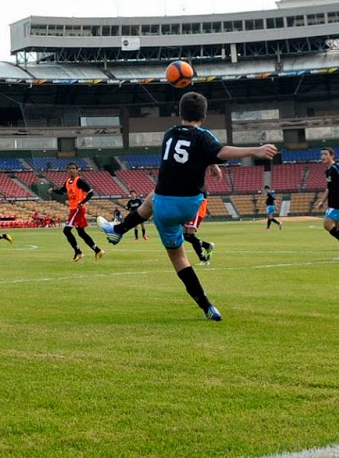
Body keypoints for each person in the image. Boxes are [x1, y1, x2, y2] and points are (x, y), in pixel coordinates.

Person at [100, 91, 278, 320]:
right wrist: (252, 151)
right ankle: (117, 231)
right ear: (203, 116)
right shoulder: (203, 136)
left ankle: (207, 306)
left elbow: (183, 159)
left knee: (179, 258)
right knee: (151, 198)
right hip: (191, 204)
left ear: (180, 113)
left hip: (165, 206)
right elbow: (218, 151)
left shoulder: (169, 134)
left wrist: (217, 159)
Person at [60, 162, 104, 261]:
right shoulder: (67, 182)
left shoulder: (79, 181)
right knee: (81, 232)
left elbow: (91, 193)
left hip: (78, 209)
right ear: (67, 170)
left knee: (66, 230)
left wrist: (82, 202)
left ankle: (78, 252)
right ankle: (98, 250)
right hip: (73, 209)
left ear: (77, 170)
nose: (71, 170)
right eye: (69, 168)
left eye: (73, 168)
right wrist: (53, 190)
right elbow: (62, 191)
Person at [182, 194, 215, 264]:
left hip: (196, 211)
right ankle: (207, 247)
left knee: (189, 235)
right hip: (190, 211)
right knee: (184, 235)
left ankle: (204, 259)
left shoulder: (197, 187)